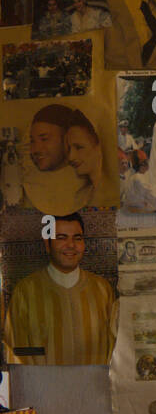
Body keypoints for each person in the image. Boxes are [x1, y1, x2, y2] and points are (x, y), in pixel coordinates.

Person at [3, 213, 117, 366]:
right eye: (62, 238)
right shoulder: (25, 291)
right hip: (43, 387)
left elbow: (115, 348)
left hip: (94, 386)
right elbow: (17, 350)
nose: (71, 245)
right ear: (47, 244)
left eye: (77, 238)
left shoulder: (103, 290)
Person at [63, 112, 110, 208]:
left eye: (79, 147)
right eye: (69, 149)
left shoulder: (113, 192)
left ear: (98, 147)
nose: (71, 157)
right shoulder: (81, 196)